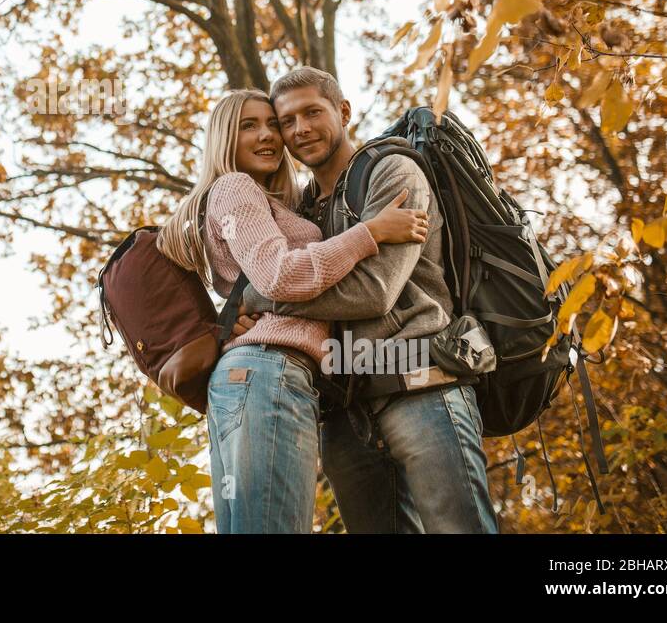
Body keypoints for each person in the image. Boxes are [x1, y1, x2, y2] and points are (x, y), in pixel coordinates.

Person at [157, 88, 428, 533]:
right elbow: (279, 277)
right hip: (267, 373)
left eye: (272, 124)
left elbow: (260, 283)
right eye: (249, 126)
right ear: (225, 136)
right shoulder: (235, 187)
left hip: (265, 376)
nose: (268, 135)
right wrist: (370, 232)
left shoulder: (266, 199)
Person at [243, 66, 499, 533]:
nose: (300, 129)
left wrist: (267, 296)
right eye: (287, 121)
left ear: (343, 111)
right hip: (344, 409)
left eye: (312, 112)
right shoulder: (300, 210)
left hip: (422, 383)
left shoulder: (392, 170)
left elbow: (377, 291)